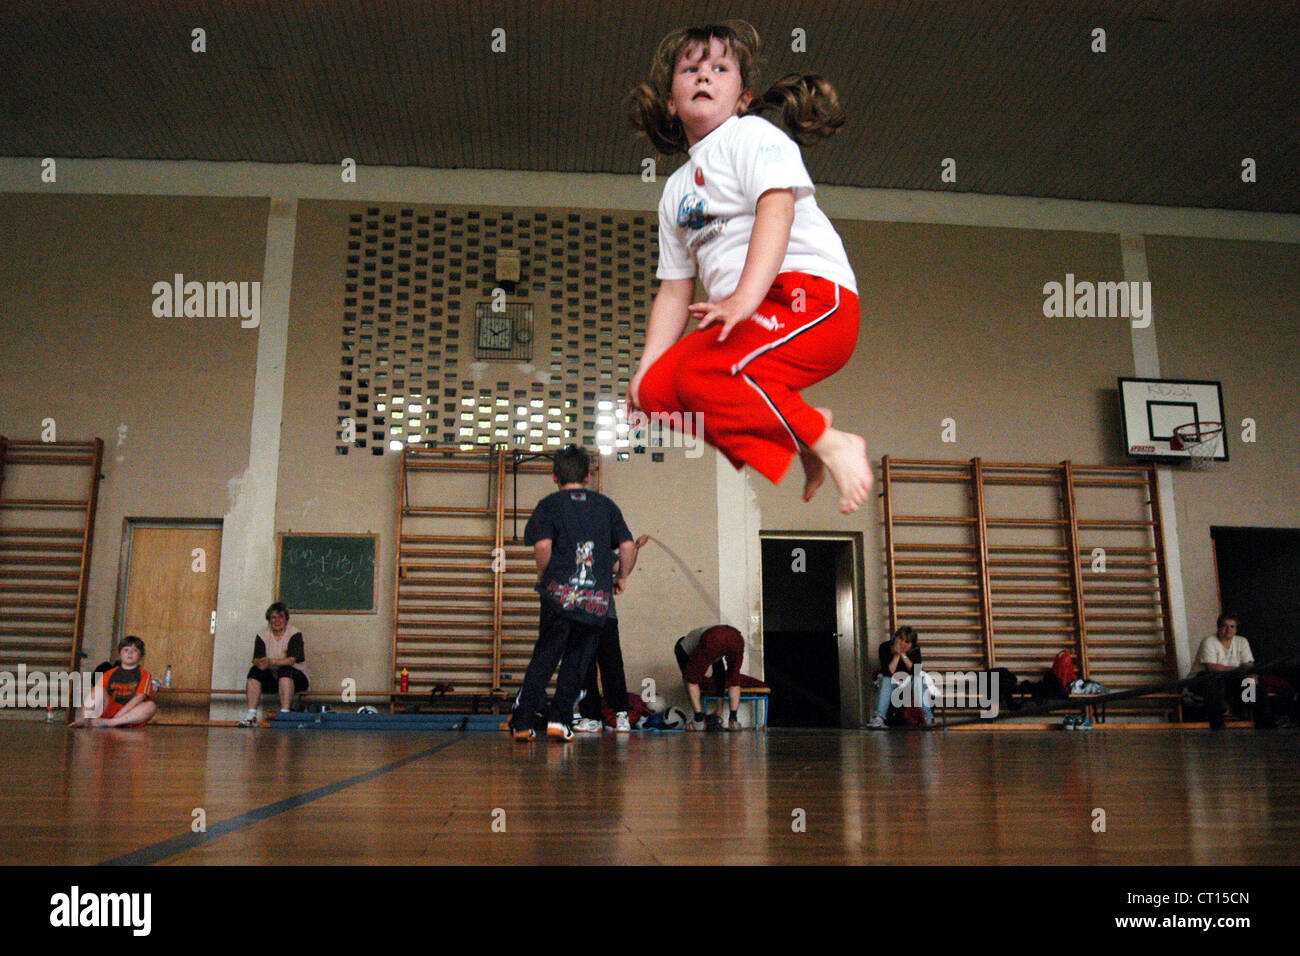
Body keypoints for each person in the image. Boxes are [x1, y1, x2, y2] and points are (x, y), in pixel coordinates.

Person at [627, 20, 873, 515]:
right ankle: (797, 434)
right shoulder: (676, 189)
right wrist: (644, 368)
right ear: (671, 102)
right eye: (691, 69)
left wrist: (745, 295)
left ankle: (828, 439)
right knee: (657, 391)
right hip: (746, 317)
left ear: (742, 97)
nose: (704, 76)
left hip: (810, 299)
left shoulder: (753, 137)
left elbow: (776, 209)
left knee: (700, 373)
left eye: (720, 68)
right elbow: (675, 291)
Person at [513, 445, 637, 742]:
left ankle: (523, 722)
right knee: (577, 660)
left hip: (558, 596)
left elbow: (542, 546)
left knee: (544, 658)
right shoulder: (606, 506)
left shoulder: (549, 505)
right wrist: (621, 577)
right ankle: (560, 720)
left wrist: (545, 575)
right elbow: (628, 547)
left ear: (554, 476)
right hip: (594, 600)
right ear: (588, 475)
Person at [574, 535, 650, 733]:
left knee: (612, 665)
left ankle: (621, 714)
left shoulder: (603, 553)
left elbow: (624, 570)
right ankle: (591, 717)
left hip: (605, 616)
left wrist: (635, 550)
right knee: (585, 669)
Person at [1189, 612, 1272, 730]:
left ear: (1236, 629)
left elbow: (1248, 664)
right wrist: (1240, 670)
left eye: (1232, 626)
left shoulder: (1242, 641)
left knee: (1254, 682)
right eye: (1225, 626)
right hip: (1201, 680)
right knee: (1215, 679)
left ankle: (1262, 721)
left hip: (1229, 679)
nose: (1228, 630)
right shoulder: (1209, 641)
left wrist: (1251, 675)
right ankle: (1217, 723)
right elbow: (1212, 668)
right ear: (1219, 628)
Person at [238, 602, 309, 727]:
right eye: (273, 617)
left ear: (286, 619)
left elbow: (291, 660)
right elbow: (256, 659)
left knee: (285, 670)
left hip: (297, 679)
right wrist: (260, 664)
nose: (277, 621)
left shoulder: (295, 634)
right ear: (269, 620)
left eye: (280, 617)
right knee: (254, 672)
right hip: (273, 679)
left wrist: (270, 661)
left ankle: (285, 714)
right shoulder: (262, 635)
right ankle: (251, 715)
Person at [70, 635, 157, 728]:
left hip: (129, 715)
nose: (130, 653)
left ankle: (112, 723)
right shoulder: (109, 673)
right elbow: (95, 694)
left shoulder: (144, 674)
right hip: (109, 710)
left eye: (134, 650)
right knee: (97, 690)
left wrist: (116, 717)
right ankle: (86, 719)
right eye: (126, 650)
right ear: (120, 653)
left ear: (141, 655)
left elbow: (139, 697)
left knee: (151, 706)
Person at [674, 624, 746, 730]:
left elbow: (689, 680)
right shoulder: (696, 638)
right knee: (734, 679)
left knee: (690, 679)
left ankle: (698, 721)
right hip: (736, 636)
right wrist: (719, 710)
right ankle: (733, 721)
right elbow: (720, 674)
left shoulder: (682, 649)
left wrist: (699, 714)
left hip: (714, 637)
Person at [870, 625, 935, 728]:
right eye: (900, 638)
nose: (901, 643)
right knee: (886, 679)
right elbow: (887, 672)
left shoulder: (915, 650)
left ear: (911, 644)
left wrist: (903, 655)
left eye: (906, 641)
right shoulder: (884, 647)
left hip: (909, 682)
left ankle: (928, 718)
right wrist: (896, 655)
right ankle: (878, 718)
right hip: (891, 682)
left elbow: (917, 672)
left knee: (919, 679)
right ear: (895, 638)